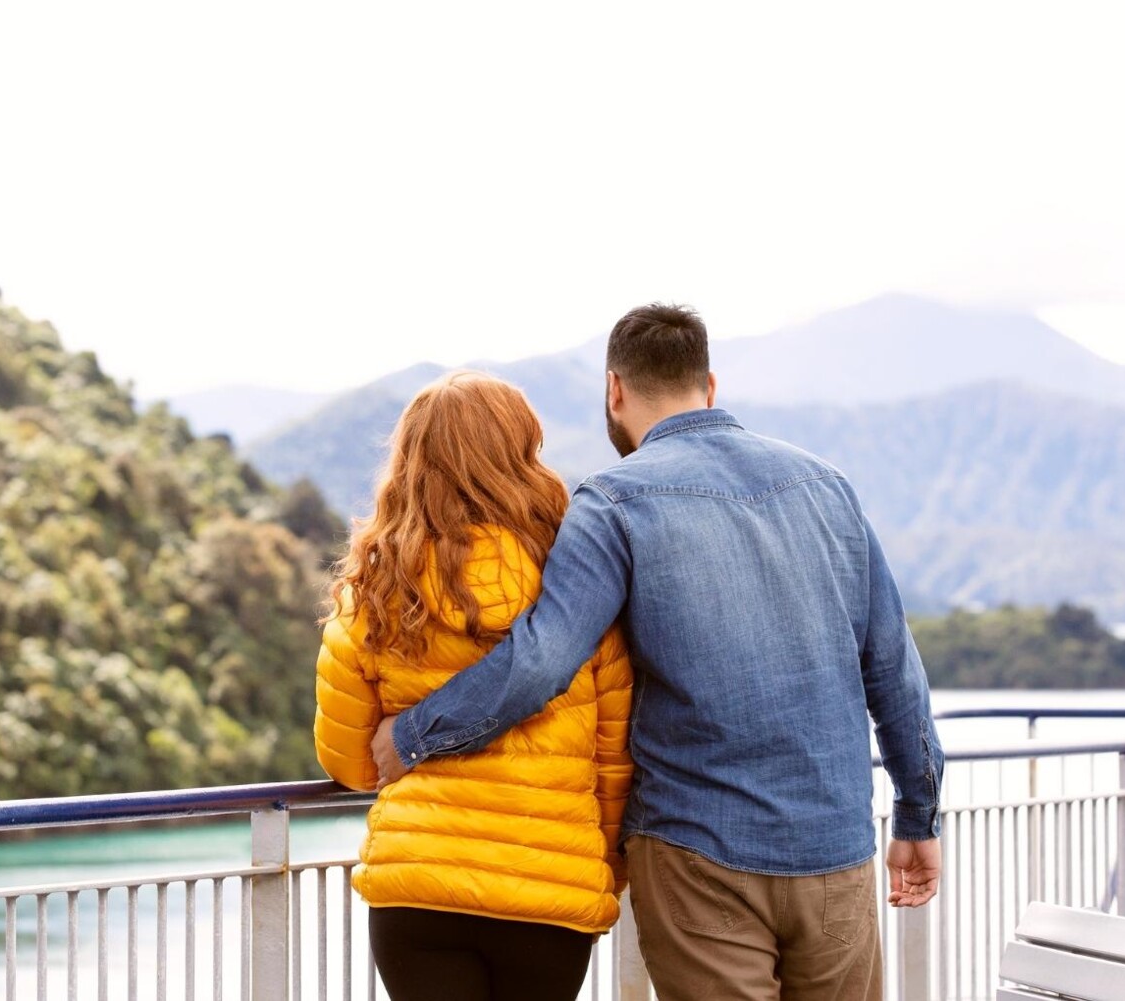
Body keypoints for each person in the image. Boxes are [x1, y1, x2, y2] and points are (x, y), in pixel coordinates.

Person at [371, 304, 945, 1001]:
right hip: (835, 854)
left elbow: (543, 659)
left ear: (615, 390)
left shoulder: (613, 502)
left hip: (697, 857)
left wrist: (414, 735)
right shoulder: (826, 487)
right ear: (709, 384)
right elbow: (894, 672)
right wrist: (918, 814)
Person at [314, 370, 634, 1001]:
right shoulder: (575, 594)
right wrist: (599, 869)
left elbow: (349, 762)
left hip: (419, 888)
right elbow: (614, 764)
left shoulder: (374, 591)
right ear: (521, 456)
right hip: (548, 887)